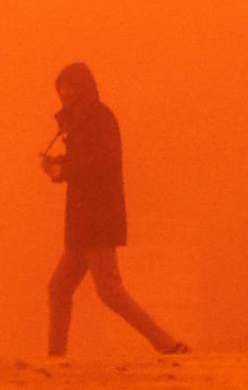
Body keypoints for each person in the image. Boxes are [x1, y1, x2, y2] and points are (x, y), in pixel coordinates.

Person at [41, 58, 185, 360]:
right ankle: (55, 358)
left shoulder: (100, 120)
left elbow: (101, 164)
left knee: (110, 292)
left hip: (97, 221)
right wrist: (60, 167)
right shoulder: (81, 122)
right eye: (62, 87)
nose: (65, 93)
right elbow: (87, 165)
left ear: (85, 88)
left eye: (71, 86)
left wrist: (63, 170)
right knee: (59, 289)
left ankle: (167, 344)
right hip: (83, 223)